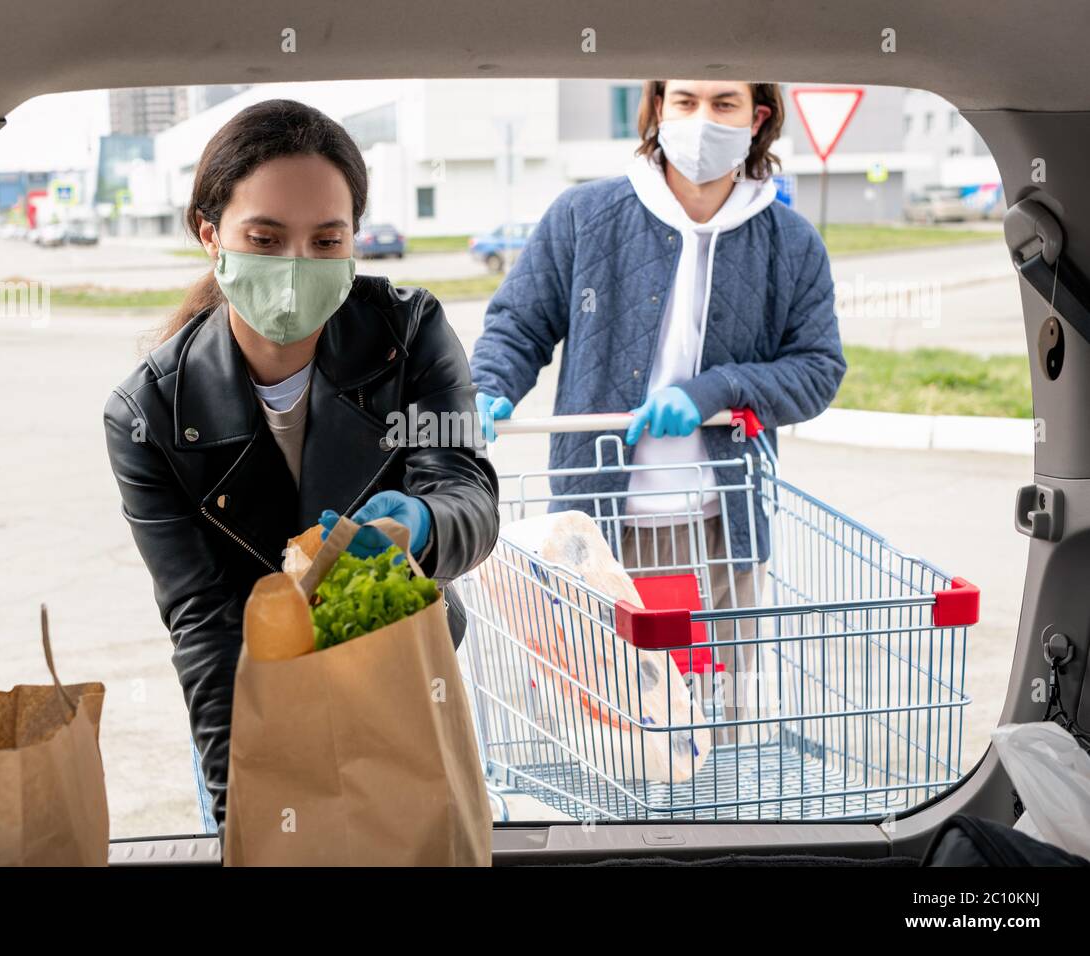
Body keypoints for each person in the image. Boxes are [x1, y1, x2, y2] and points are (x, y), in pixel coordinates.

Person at [103, 99, 500, 839]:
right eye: (266, 237)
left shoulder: (409, 334)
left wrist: (420, 523)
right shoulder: (148, 414)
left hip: (405, 676)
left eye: (326, 239)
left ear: (354, 242)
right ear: (210, 234)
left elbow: (465, 493)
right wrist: (239, 809)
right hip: (261, 699)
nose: (297, 266)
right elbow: (206, 622)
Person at [468, 80, 845, 743]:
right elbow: (518, 324)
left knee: (713, 728)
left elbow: (817, 371)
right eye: (686, 101)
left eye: (723, 104)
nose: (702, 119)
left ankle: (707, 841)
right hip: (601, 529)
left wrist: (713, 392)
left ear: (757, 118)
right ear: (657, 109)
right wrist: (490, 382)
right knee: (611, 729)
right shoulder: (586, 215)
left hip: (722, 533)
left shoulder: (791, 243)